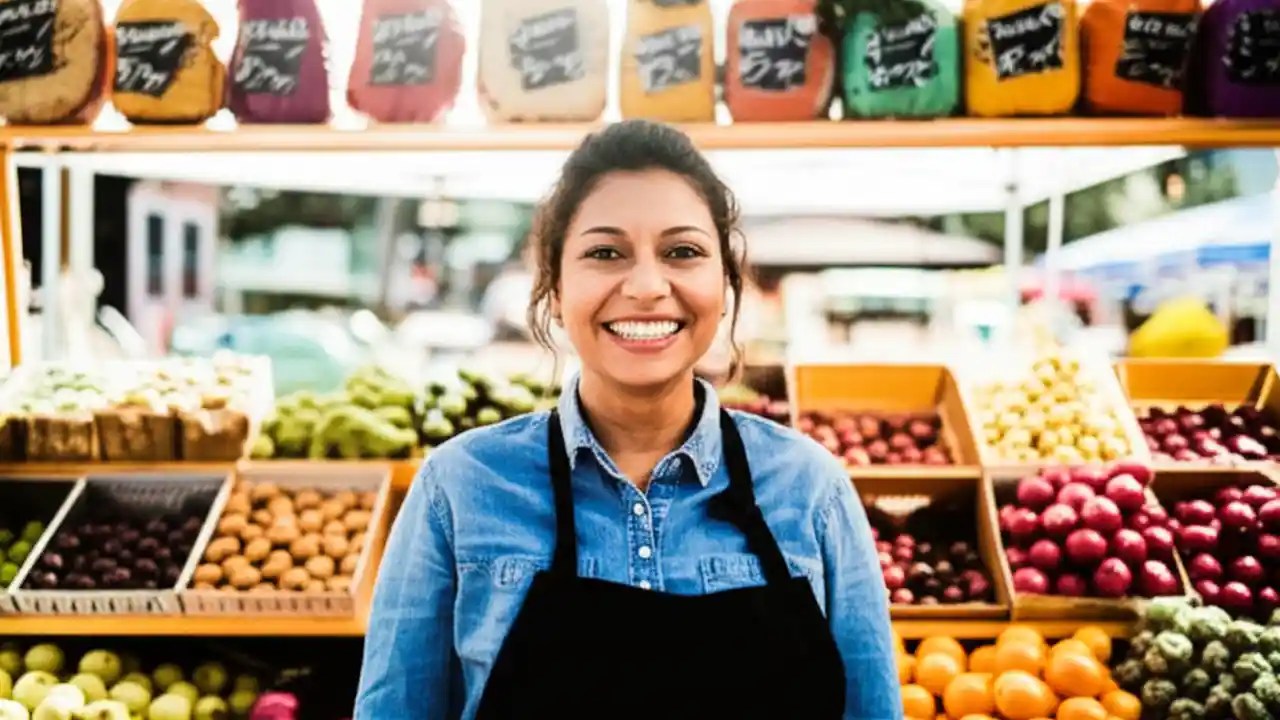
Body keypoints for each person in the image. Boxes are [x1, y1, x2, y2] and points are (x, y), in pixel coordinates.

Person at [354, 120, 901, 719]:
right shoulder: (459, 487)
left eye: (682, 252)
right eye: (605, 252)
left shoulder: (809, 487)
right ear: (555, 289)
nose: (645, 286)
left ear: (724, 282)